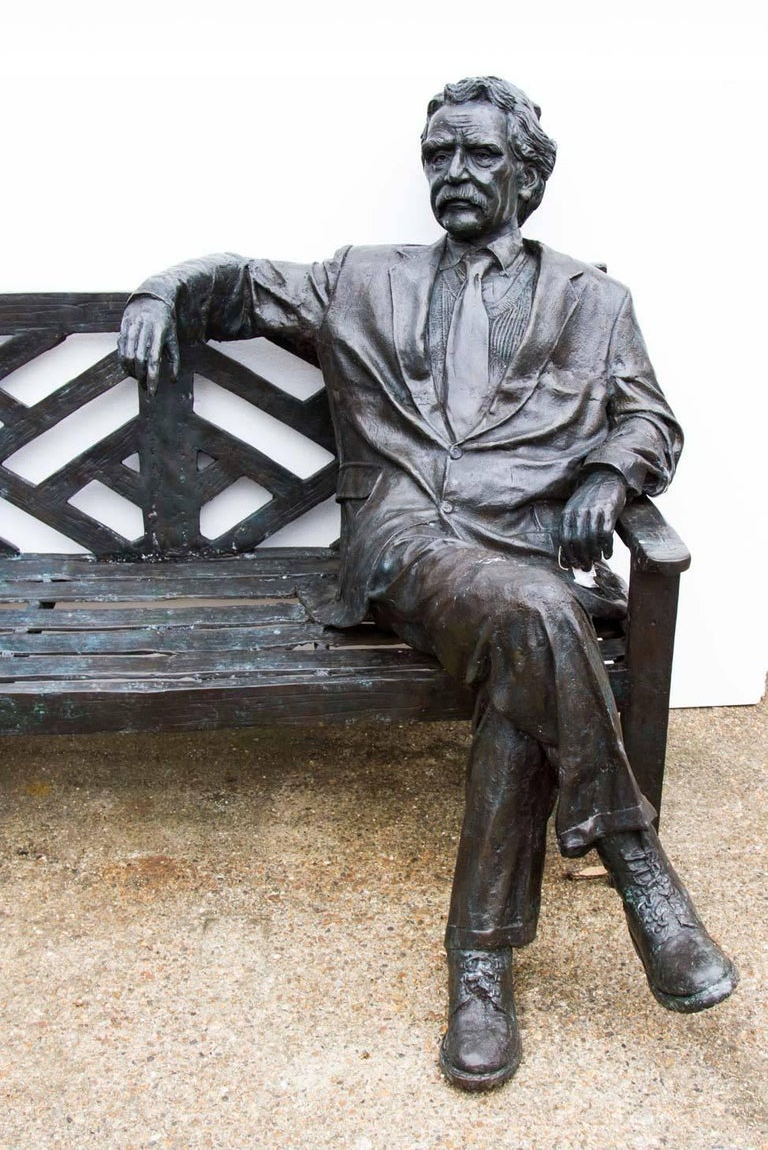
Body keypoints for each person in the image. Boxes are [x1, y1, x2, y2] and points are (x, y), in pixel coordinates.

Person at [119, 76, 737, 1091]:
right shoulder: (363, 278)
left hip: (521, 566)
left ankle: (479, 967)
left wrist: (609, 474)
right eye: (439, 154)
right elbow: (235, 284)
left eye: (480, 156)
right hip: (405, 545)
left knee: (526, 659)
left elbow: (650, 423)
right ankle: (640, 872)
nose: (454, 172)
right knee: (540, 616)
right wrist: (161, 291)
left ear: (526, 175)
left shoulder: (594, 301)